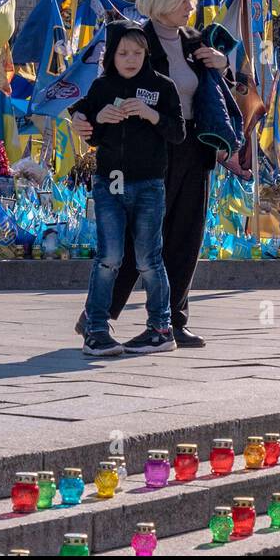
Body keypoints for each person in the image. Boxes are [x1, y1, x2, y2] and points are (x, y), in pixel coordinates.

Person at [72, 0, 233, 348]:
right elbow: (101, 87)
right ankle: (99, 317)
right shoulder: (134, 39)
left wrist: (223, 67)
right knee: (135, 239)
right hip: (144, 152)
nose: (191, 7)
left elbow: (214, 90)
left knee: (185, 235)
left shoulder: (195, 42)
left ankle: (172, 320)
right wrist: (81, 115)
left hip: (192, 146)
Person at [72, 21, 185, 356]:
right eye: (123, 52)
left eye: (137, 52)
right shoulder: (101, 87)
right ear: (111, 55)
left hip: (149, 183)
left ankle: (160, 328)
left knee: (150, 258)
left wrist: (151, 115)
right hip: (110, 183)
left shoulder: (162, 86)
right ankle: (95, 328)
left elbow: (178, 132)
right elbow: (89, 132)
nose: (131, 59)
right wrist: (94, 122)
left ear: (147, 53)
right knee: (109, 256)